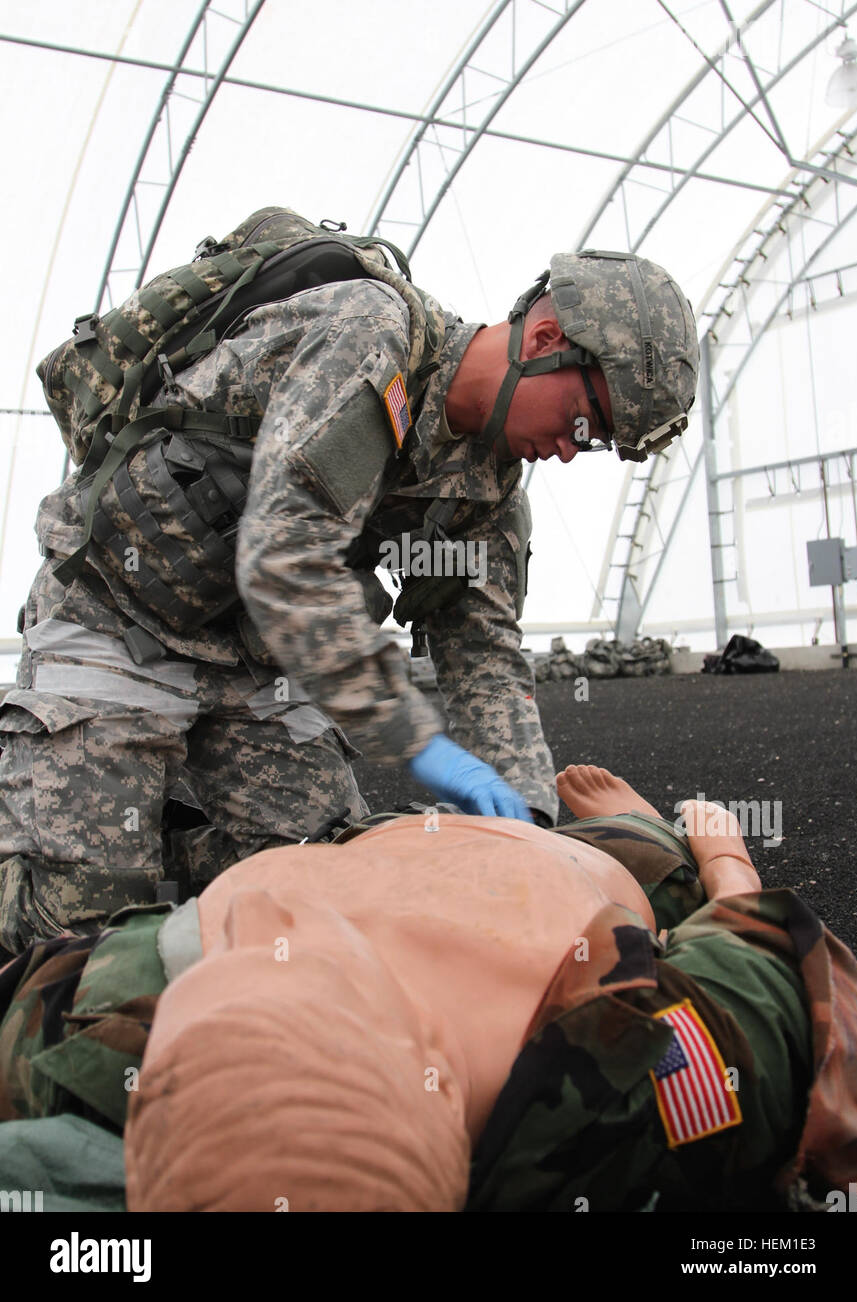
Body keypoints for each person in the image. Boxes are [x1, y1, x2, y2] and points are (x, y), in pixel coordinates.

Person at [0, 214, 699, 951]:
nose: (570, 451)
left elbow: (485, 658)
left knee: (328, 898)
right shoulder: (370, 335)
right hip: (118, 617)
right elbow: (285, 559)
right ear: (547, 340)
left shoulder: (487, 494)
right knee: (71, 943)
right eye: (586, 421)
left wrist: (526, 826)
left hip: (260, 668)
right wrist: (416, 742)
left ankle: (151, 847)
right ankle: (51, 855)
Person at [0, 763, 857, 1213]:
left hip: (363, 841)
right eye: (329, 973)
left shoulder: (67, 1041)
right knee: (654, 867)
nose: (269, 918)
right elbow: (768, 943)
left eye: (228, 964)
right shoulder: (648, 1071)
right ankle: (643, 829)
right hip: (573, 875)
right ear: (437, 1079)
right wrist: (721, 852)